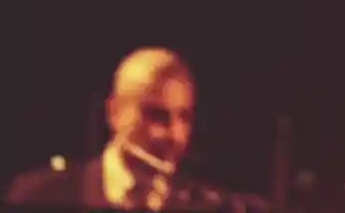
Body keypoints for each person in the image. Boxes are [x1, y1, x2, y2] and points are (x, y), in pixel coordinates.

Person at [5, 47, 264, 211]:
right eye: (157, 116)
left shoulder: (208, 205)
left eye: (184, 118)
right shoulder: (39, 196)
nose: (175, 135)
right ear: (114, 113)